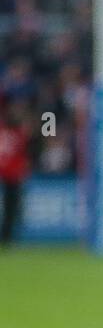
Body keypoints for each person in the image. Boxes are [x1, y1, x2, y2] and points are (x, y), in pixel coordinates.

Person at [0, 101, 31, 248]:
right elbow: (24, 154)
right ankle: (7, 238)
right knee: (11, 209)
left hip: (11, 175)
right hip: (12, 175)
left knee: (11, 209)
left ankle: (8, 237)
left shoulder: (7, 131)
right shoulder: (19, 134)